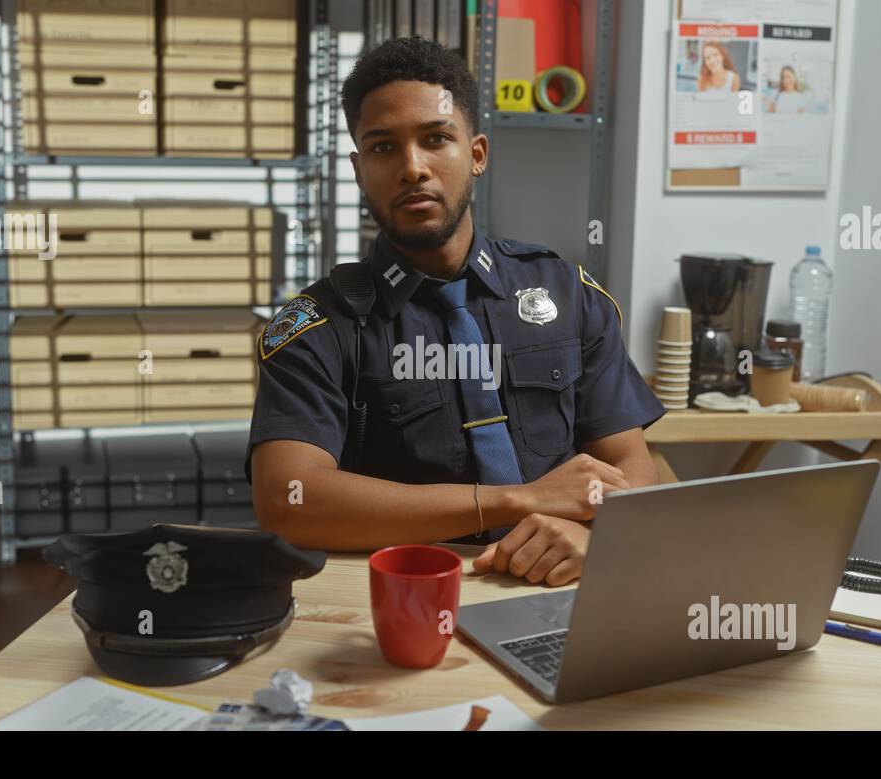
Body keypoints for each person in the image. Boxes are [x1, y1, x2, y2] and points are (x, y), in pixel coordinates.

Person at [247, 36, 664, 586]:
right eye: (382, 148)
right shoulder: (316, 327)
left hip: (560, 587)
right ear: (358, 169)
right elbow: (287, 500)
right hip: (407, 593)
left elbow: (634, 464)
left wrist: (598, 535)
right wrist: (514, 501)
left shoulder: (566, 292)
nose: (412, 168)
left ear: (477, 154)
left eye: (436, 138)